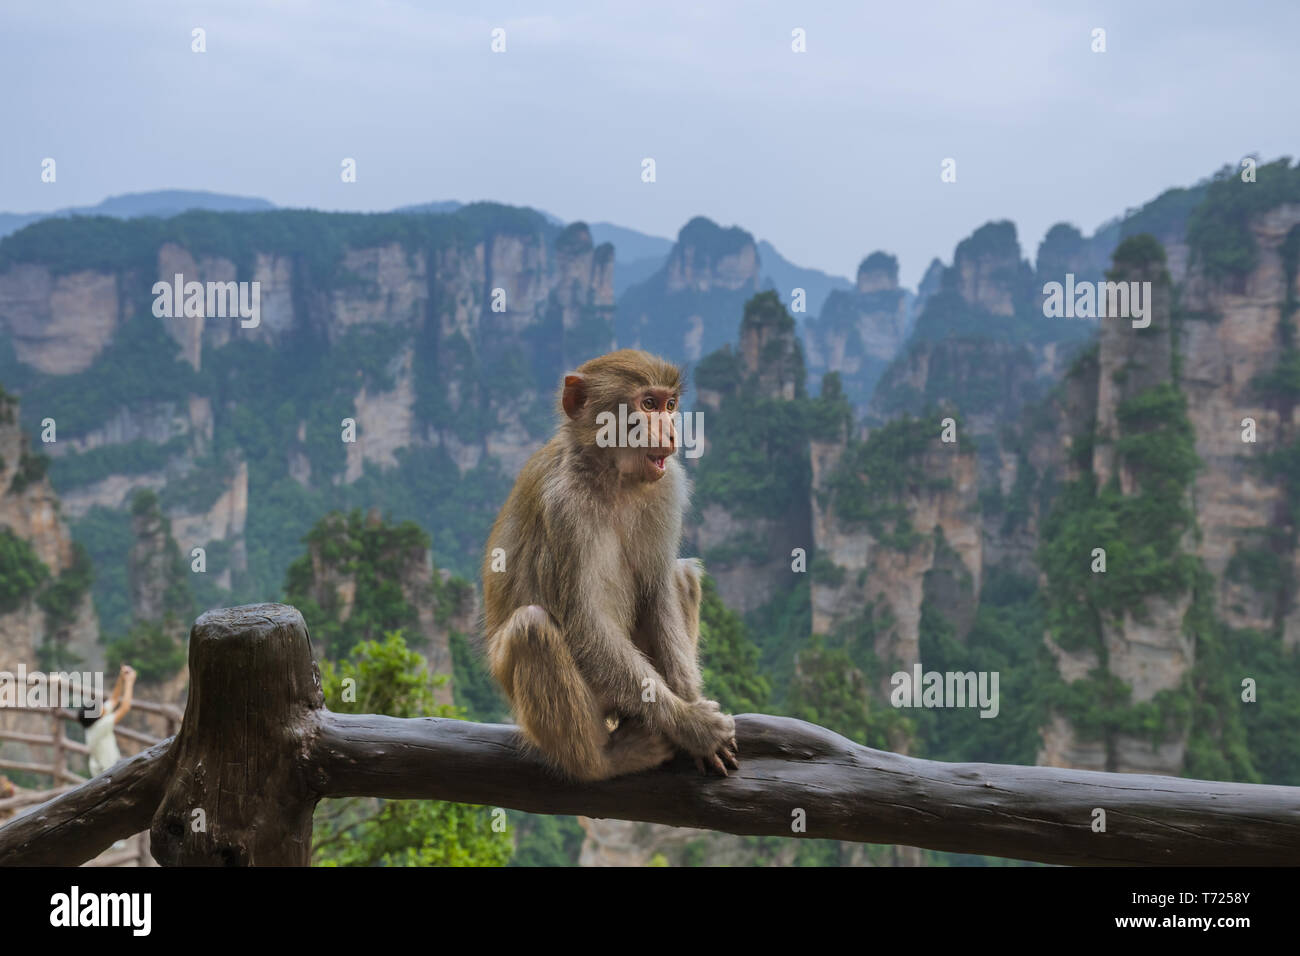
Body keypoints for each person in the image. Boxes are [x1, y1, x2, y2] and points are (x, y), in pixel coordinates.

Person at [80, 664, 136, 777]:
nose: (103, 706)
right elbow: (125, 708)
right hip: (106, 774)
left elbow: (114, 699)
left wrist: (121, 678)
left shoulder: (95, 722)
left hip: (105, 769)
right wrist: (129, 682)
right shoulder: (99, 727)